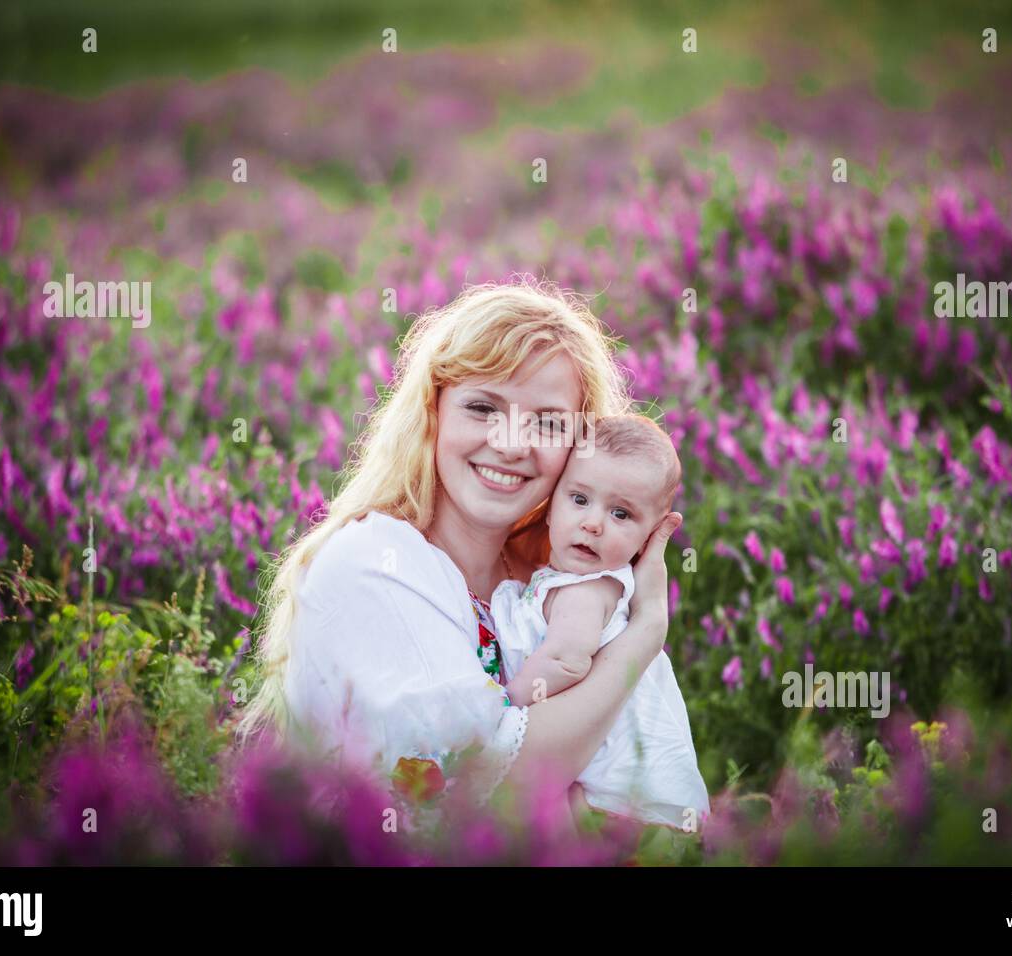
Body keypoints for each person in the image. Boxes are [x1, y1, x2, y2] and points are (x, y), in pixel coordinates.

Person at [239, 277, 685, 844]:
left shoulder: (542, 586)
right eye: (481, 407)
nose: (510, 443)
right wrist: (644, 635)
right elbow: (482, 794)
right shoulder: (373, 561)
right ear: (434, 413)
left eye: (548, 423)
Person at [492, 414, 710, 830]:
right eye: (579, 500)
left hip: (621, 802)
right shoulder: (565, 582)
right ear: (550, 509)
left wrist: (506, 701)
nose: (593, 523)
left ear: (649, 538)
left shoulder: (589, 590)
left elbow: (565, 661)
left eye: (621, 514)